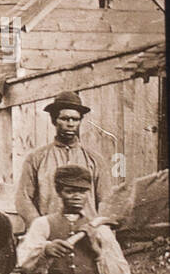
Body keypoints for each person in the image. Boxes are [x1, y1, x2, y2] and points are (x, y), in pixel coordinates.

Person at [15, 91, 109, 223]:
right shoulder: (36, 158)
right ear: (54, 120)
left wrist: (96, 228)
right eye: (64, 119)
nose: (70, 124)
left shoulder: (95, 159)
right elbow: (23, 198)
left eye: (75, 119)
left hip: (86, 232)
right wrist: (40, 227)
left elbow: (106, 201)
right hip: (51, 235)